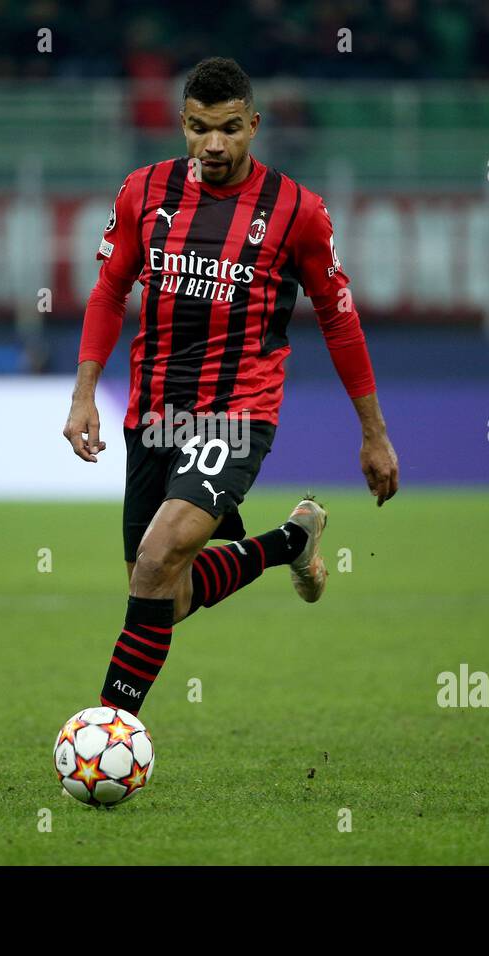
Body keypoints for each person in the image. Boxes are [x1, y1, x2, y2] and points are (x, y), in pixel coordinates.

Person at [64, 57, 399, 716]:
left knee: (159, 559)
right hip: (154, 411)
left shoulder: (298, 212)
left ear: (254, 124)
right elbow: (108, 290)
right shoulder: (144, 191)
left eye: (228, 129)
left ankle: (109, 730)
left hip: (236, 410)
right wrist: (84, 392)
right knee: (161, 589)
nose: (212, 145)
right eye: (197, 129)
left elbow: (339, 316)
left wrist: (374, 433)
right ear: (182, 124)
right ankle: (289, 542)